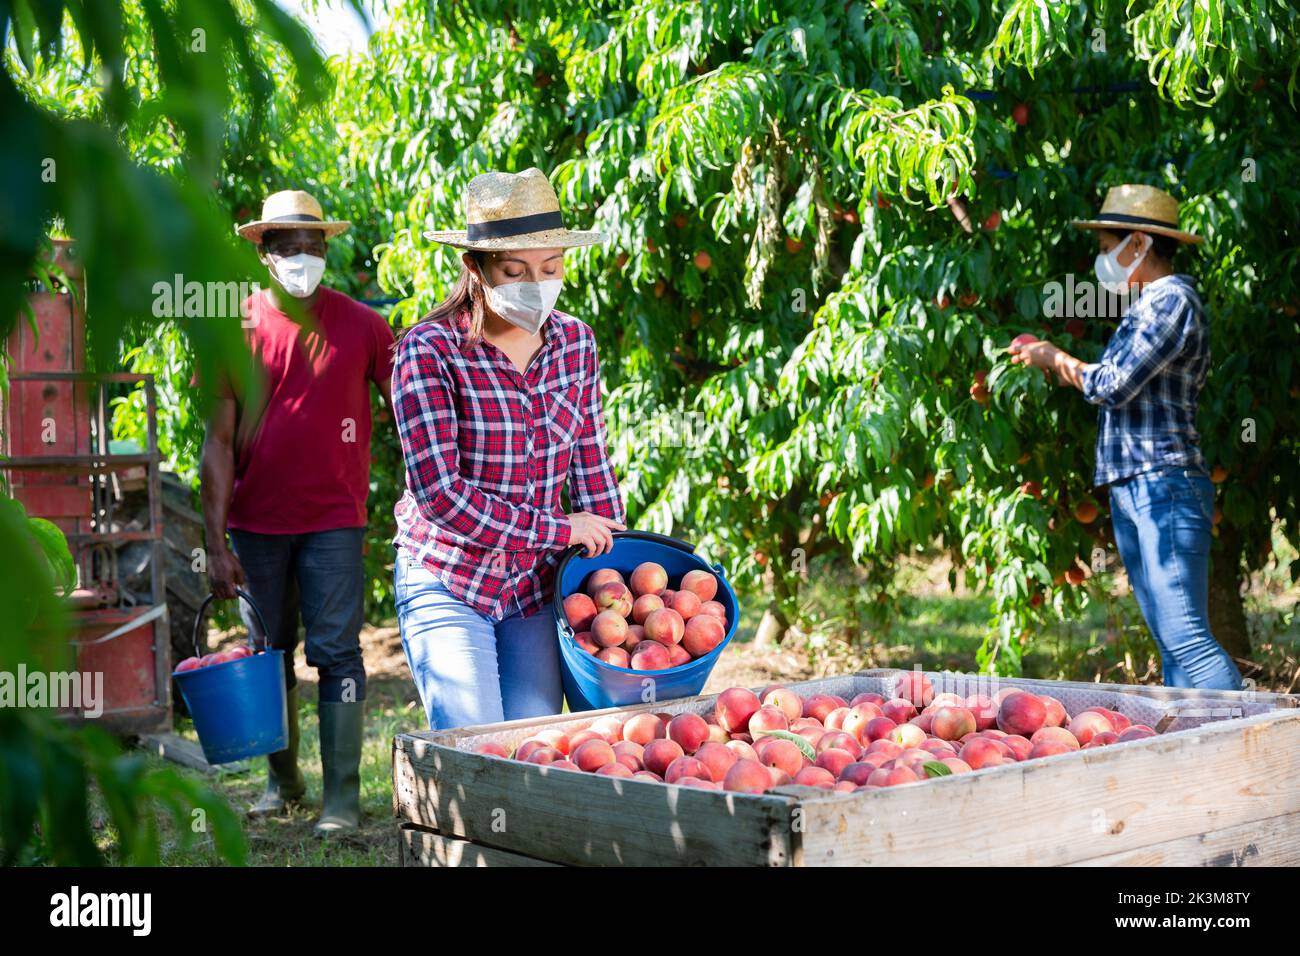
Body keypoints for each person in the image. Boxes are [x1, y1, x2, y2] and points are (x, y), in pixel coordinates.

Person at [391, 168, 626, 730]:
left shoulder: (575, 344)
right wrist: (560, 530)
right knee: (476, 739)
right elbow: (440, 497)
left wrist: (619, 578)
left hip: (532, 587)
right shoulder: (429, 352)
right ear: (475, 267)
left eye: (550, 269)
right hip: (448, 574)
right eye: (514, 271)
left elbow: (592, 468)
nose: (535, 284)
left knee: (535, 742)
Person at [201, 189, 395, 832]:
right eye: (287, 247)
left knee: (337, 651)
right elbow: (218, 444)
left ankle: (341, 797)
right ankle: (282, 783)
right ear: (265, 253)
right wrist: (216, 542)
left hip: (334, 521)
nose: (301, 257)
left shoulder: (364, 325)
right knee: (267, 650)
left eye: (312, 245)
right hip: (256, 524)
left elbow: (412, 409)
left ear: (326, 250)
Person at [1009, 183, 1242, 690]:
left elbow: (1111, 384)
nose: (1100, 260)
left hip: (1165, 482)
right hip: (1137, 484)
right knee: (1171, 641)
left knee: (1188, 641)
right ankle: (1203, 757)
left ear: (1137, 245)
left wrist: (1056, 359)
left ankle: (1264, 752)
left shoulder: (1171, 300)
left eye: (1104, 247)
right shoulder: (1144, 307)